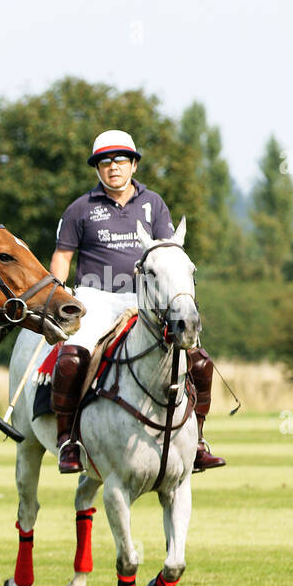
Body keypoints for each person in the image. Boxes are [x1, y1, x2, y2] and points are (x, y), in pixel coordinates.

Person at [49, 129, 225, 473]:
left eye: (119, 160)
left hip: (144, 302)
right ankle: (67, 441)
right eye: (104, 162)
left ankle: (198, 440)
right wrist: (59, 291)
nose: (112, 167)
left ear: (133, 164)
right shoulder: (80, 208)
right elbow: (62, 256)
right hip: (95, 299)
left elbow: (168, 253)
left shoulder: (154, 204)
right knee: (72, 358)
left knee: (199, 361)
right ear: (98, 169)